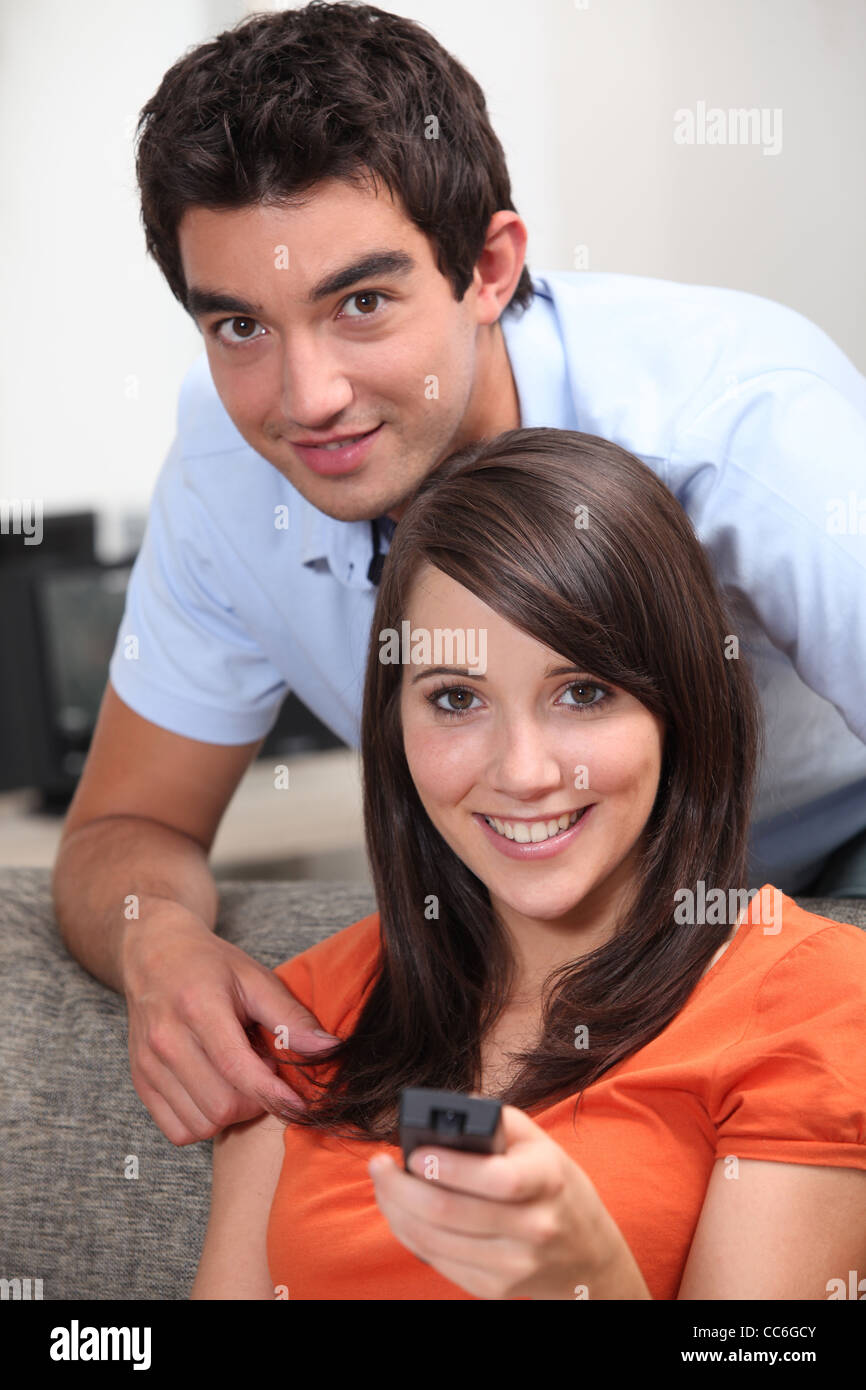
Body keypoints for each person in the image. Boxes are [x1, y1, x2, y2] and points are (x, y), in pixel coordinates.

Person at [52, 3, 866, 1151]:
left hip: (828, 864)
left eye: (361, 303)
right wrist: (160, 945)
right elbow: (125, 824)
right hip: (527, 926)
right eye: (238, 326)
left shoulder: (745, 430)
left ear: (488, 267)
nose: (307, 398)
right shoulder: (226, 467)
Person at [190, 428, 866, 1300]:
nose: (523, 772)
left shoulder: (818, 1000)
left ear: (682, 705)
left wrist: (590, 1283)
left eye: (583, 692)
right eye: (455, 699)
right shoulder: (306, 1011)